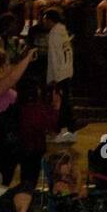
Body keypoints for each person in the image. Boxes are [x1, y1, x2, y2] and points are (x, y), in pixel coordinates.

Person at [0, 46, 36, 184]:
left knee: (4, 181)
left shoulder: (0, 86)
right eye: (5, 65)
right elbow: (13, 77)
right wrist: (27, 58)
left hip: (8, 140)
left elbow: (12, 74)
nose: (9, 67)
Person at [40, 9, 75, 141]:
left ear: (50, 20)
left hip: (59, 74)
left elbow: (55, 58)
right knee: (65, 102)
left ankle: (61, 129)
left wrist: (53, 78)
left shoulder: (54, 34)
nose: (44, 22)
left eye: (45, 19)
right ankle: (68, 129)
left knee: (60, 104)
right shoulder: (63, 31)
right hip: (66, 71)